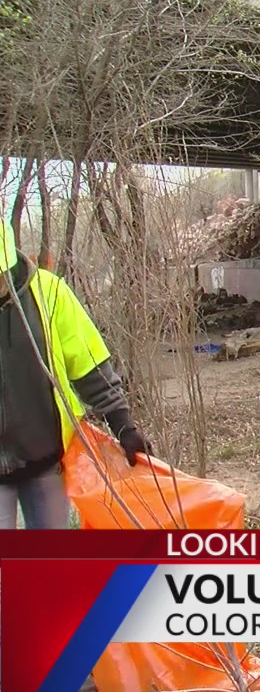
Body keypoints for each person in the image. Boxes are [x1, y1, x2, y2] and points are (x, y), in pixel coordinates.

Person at [0, 223, 151, 530]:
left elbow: (89, 365)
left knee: (51, 565)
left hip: (46, 460)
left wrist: (123, 426)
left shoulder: (49, 293)